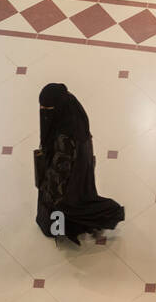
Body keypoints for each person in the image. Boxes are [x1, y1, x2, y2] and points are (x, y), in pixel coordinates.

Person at [36, 83, 125, 246]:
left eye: (46, 108)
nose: (42, 110)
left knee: (64, 204)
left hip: (68, 174)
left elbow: (61, 168)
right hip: (80, 165)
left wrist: (50, 186)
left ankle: (58, 229)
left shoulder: (65, 136)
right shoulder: (70, 105)